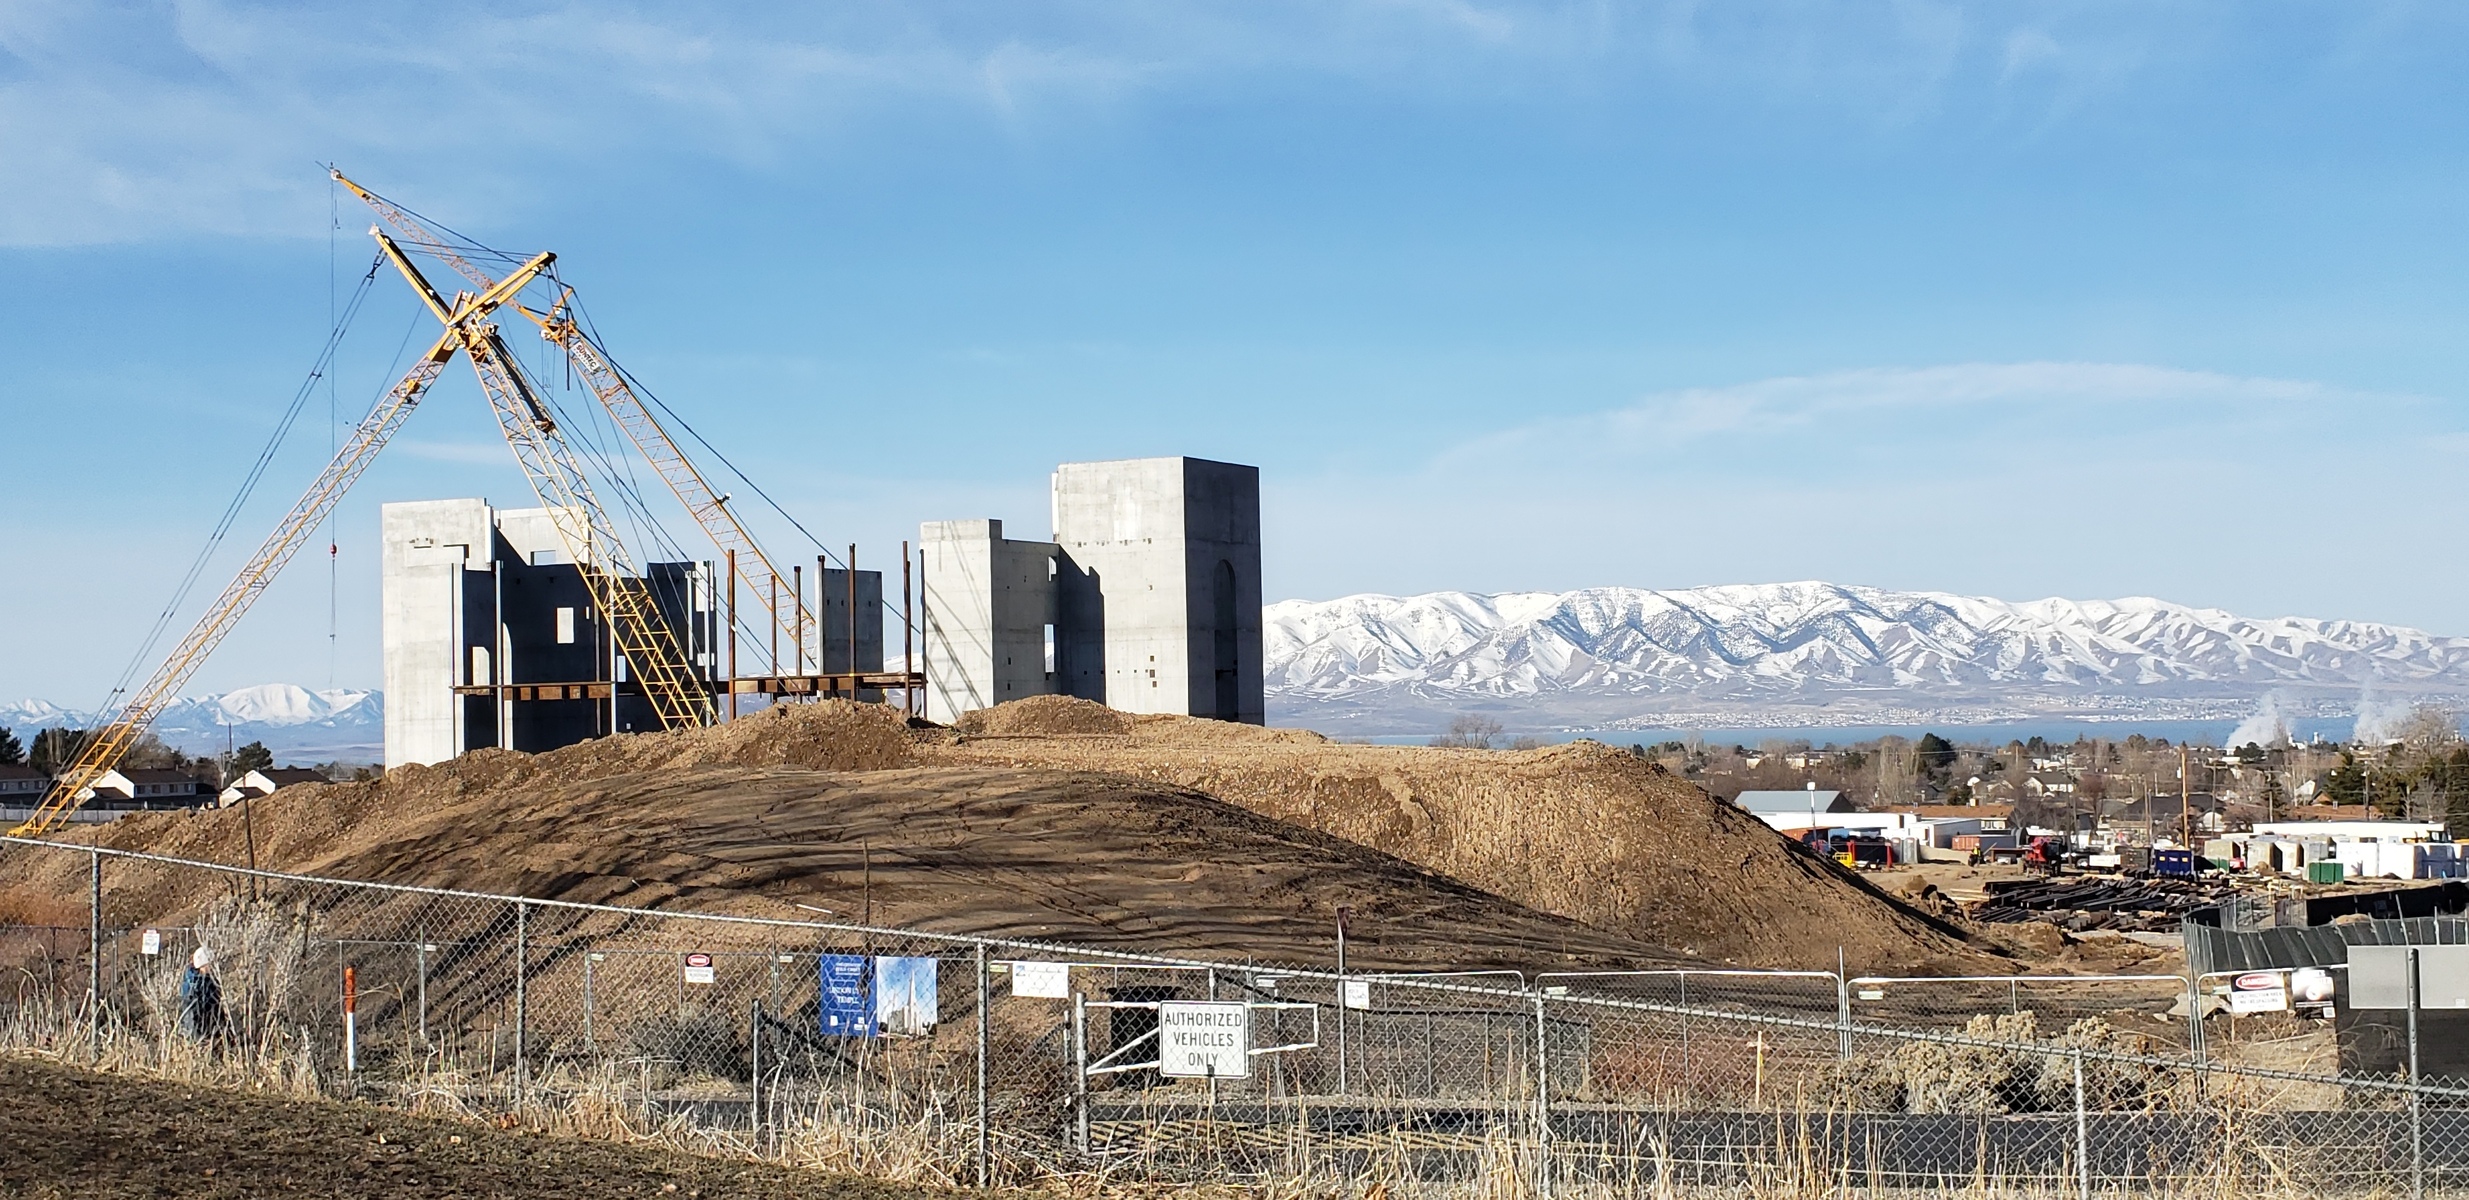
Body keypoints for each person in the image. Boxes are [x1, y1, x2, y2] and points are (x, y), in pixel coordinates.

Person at [176, 944, 223, 1039]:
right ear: (204, 964)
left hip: (194, 1031)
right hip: (200, 1033)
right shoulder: (199, 985)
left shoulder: (192, 980)